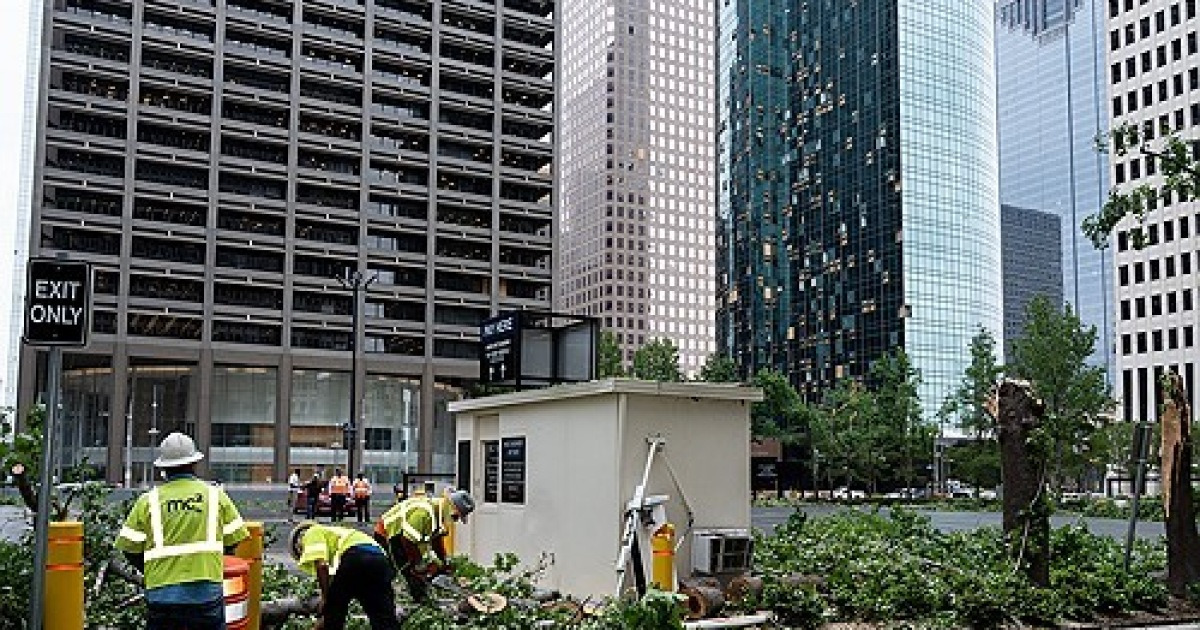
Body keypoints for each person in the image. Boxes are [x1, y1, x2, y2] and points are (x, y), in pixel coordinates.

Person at [115, 432, 249, 630]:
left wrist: (151, 571)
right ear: (194, 463)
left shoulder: (147, 501)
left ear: (164, 468)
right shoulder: (215, 496)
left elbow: (129, 547)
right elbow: (234, 539)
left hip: (161, 595)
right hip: (205, 593)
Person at [290, 521, 401, 630]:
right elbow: (340, 582)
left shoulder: (312, 532)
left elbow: (322, 566)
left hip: (356, 556)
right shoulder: (340, 535)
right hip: (381, 561)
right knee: (383, 617)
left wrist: (325, 598)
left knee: (334, 611)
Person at [374, 489, 474, 602]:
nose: (455, 521)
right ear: (452, 508)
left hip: (404, 537)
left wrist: (444, 561)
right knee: (402, 570)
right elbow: (408, 540)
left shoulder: (439, 514)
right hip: (389, 533)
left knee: (415, 573)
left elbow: (436, 540)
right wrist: (418, 564)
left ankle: (418, 597)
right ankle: (387, 602)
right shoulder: (425, 512)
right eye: (456, 517)